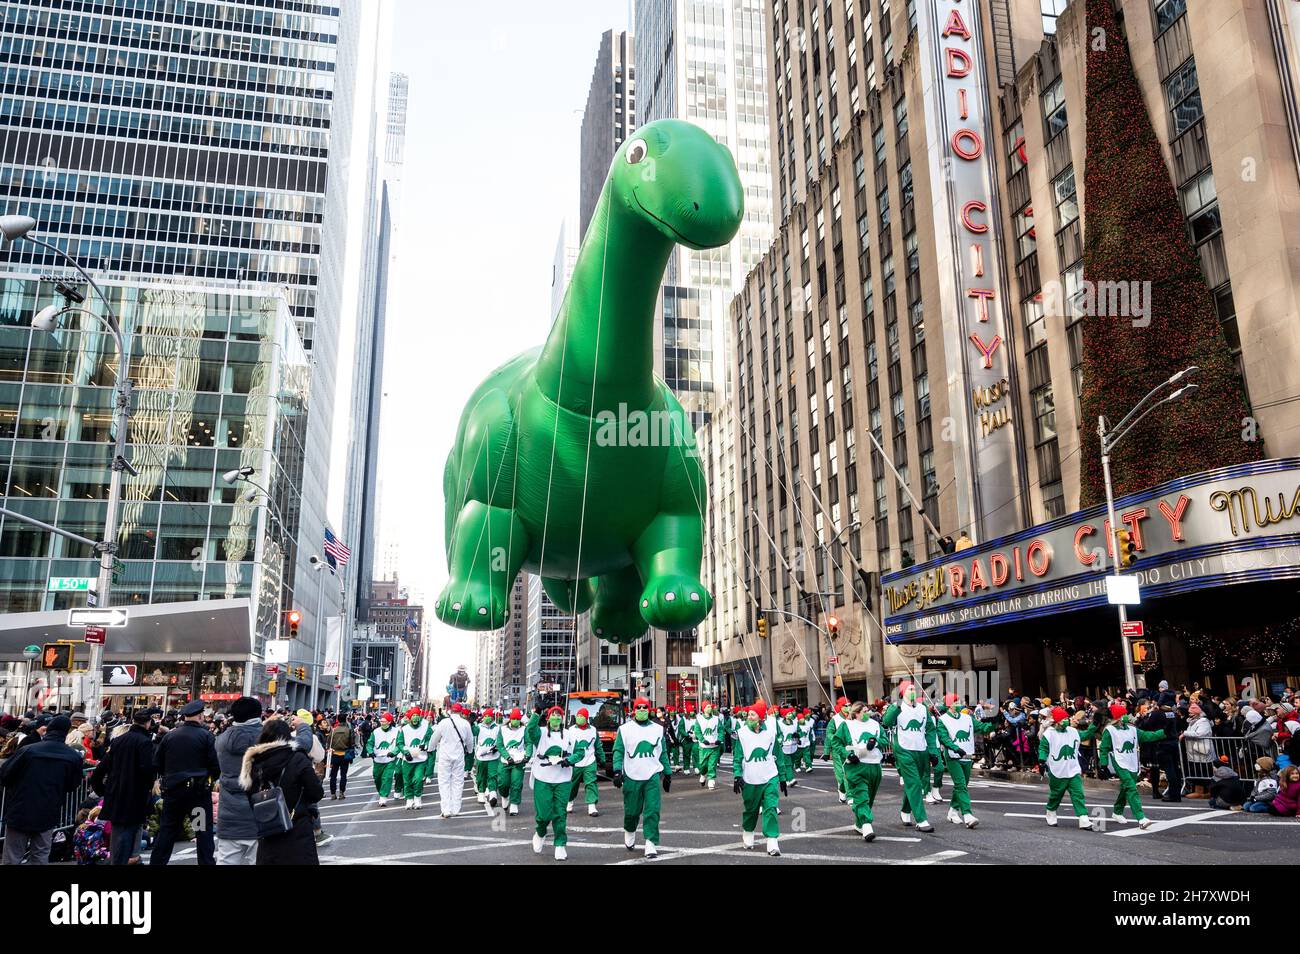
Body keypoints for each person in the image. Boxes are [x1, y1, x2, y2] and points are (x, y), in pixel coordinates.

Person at [239, 718, 325, 864]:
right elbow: (316, 793)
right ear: (287, 736)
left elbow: (250, 797)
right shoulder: (297, 758)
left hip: (268, 831)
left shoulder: (253, 763)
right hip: (297, 829)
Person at [0, 715, 84, 864]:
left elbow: (5, 774)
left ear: (49, 729)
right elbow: (73, 784)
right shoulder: (73, 757)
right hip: (48, 810)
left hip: (20, 808)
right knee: (40, 855)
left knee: (13, 856)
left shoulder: (28, 750)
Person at [151, 699, 220, 865]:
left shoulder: (170, 736)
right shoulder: (206, 736)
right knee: (202, 831)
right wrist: (209, 780)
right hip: (197, 794)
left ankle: (157, 863)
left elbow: (157, 763)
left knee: (167, 831)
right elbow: (214, 765)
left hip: (174, 792)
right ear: (199, 716)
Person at [91, 708, 157, 865]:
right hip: (135, 795)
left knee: (118, 834)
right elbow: (147, 770)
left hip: (116, 793)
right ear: (148, 723)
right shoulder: (144, 742)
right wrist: (148, 789)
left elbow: (101, 769)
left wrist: (103, 790)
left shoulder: (118, 741)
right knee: (128, 835)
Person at [611, 697, 672, 857]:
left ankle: (651, 842)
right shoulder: (624, 729)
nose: (642, 710)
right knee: (632, 811)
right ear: (634, 710)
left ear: (649, 709)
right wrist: (617, 771)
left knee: (652, 810)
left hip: (652, 775)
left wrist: (667, 773)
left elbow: (662, 752)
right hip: (632, 775)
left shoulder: (658, 729)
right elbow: (618, 751)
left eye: (645, 707)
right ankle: (629, 830)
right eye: (639, 707)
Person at [1098, 701, 1168, 830]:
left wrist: (1164, 732)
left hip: (1131, 761)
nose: (1127, 716)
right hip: (1119, 761)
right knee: (1131, 787)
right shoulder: (1110, 730)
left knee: (1126, 787)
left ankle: (1117, 811)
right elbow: (1104, 748)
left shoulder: (1132, 729)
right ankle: (1141, 818)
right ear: (1118, 717)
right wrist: (1103, 765)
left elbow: (1147, 736)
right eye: (1124, 714)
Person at [880, 682, 938, 833]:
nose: (914, 691)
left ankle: (905, 810)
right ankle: (921, 819)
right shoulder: (897, 706)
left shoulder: (923, 708)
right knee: (914, 783)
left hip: (921, 749)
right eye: (911, 689)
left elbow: (930, 730)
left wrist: (933, 751)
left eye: (915, 689)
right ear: (903, 692)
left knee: (915, 783)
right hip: (904, 750)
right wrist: (896, 707)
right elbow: (886, 722)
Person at [935, 692, 993, 829]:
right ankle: (967, 814)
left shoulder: (968, 718)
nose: (959, 703)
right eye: (956, 701)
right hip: (953, 756)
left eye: (959, 700)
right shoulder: (943, 720)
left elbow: (981, 727)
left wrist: (993, 722)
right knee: (960, 784)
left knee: (963, 785)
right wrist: (955, 748)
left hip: (967, 755)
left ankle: (953, 811)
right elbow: (944, 738)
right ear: (949, 704)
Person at [732, 701, 782, 856]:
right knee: (751, 810)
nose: (749, 716)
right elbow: (737, 757)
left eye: (752, 714)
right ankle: (748, 831)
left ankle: (772, 841)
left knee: (771, 808)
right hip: (750, 779)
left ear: (760, 717)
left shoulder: (771, 733)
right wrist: (737, 776)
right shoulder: (742, 733)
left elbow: (778, 756)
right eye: (749, 714)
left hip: (770, 777)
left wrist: (784, 777)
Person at [1039, 706, 1099, 829]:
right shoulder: (1049, 734)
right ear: (1057, 720)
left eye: (1067, 718)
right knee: (1056, 794)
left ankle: (1083, 818)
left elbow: (1086, 734)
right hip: (1057, 770)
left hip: (1073, 769)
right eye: (1064, 718)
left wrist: (1095, 724)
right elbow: (1043, 748)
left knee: (1078, 793)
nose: (1067, 720)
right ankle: (1051, 811)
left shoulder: (1073, 731)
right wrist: (1041, 761)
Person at [528, 706, 573, 860]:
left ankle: (560, 844)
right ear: (548, 718)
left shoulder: (568, 734)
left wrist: (570, 760)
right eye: (553, 715)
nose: (556, 718)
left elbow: (579, 751)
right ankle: (540, 832)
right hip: (543, 777)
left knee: (560, 813)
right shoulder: (540, 732)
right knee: (543, 814)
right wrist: (536, 713)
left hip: (563, 779)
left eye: (558, 715)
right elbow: (530, 730)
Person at [837, 701, 885, 842]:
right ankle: (866, 824)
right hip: (856, 766)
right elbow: (836, 742)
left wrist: (875, 741)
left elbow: (884, 739)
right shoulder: (847, 725)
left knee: (869, 798)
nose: (868, 713)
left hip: (874, 765)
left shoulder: (875, 725)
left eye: (868, 710)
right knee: (861, 796)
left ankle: (859, 824)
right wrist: (847, 754)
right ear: (857, 713)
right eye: (864, 711)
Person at [430, 703, 473, 818]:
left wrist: (430, 748)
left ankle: (446, 809)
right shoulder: (465, 724)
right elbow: (470, 741)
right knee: (458, 782)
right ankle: (456, 808)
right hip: (458, 756)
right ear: (460, 712)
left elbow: (434, 738)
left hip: (445, 756)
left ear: (450, 711)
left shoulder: (443, 723)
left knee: (444, 782)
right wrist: (469, 750)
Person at [567, 707, 605, 817]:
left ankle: (592, 806)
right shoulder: (571, 730)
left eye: (582, 716)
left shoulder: (593, 730)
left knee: (591, 783)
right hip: (575, 762)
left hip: (589, 761)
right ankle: (569, 803)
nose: (579, 718)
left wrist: (601, 759)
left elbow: (598, 746)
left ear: (586, 718)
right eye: (578, 716)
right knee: (572, 784)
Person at [395, 708, 433, 810]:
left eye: (417, 717)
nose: (415, 719)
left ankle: (417, 798)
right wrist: (405, 752)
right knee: (407, 780)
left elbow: (431, 739)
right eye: (413, 717)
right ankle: (409, 799)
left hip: (421, 759)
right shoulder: (404, 729)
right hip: (408, 759)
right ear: (410, 718)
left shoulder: (426, 728)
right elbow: (399, 743)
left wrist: (425, 745)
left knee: (418, 779)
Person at [497, 708, 531, 815]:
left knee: (516, 783)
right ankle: (505, 796)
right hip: (505, 761)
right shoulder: (502, 729)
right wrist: (507, 757)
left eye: (517, 719)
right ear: (510, 719)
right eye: (514, 719)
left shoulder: (524, 729)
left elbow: (529, 743)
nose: (515, 721)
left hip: (518, 761)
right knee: (503, 784)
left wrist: (527, 755)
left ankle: (514, 804)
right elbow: (500, 745)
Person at [365, 712, 401, 807]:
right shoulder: (375, 732)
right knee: (377, 778)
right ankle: (381, 792)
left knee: (387, 778)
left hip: (390, 759)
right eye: (381, 721)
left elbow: (399, 744)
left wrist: (393, 752)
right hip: (378, 759)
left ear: (389, 722)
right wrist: (370, 751)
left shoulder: (396, 731)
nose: (382, 723)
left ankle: (383, 797)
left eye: (384, 722)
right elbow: (369, 743)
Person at [471, 708, 502, 809]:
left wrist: (497, 747)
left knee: (493, 775)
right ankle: (481, 792)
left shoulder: (497, 728)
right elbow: (473, 732)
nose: (487, 718)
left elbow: (501, 740)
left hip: (494, 756)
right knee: (481, 775)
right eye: (486, 716)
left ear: (492, 717)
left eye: (489, 716)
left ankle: (493, 793)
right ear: (483, 717)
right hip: (481, 756)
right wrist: (471, 723)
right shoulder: (479, 727)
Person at [822, 697, 850, 803]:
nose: (849, 707)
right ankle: (843, 791)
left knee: (850, 772)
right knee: (841, 773)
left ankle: (850, 794)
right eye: (846, 705)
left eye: (849, 705)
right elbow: (829, 735)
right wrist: (826, 751)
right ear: (841, 707)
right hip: (838, 750)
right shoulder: (835, 720)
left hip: (851, 750)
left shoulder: (854, 717)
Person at [692, 700, 723, 789]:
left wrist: (719, 739)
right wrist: (702, 739)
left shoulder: (716, 719)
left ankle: (711, 780)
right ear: (704, 708)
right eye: (708, 707)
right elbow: (697, 731)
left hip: (714, 746)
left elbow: (721, 730)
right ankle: (702, 774)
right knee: (703, 765)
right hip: (704, 746)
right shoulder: (699, 719)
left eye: (710, 706)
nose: (710, 708)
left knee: (712, 764)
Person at [327, 714, 356, 800]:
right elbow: (352, 743)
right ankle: (341, 792)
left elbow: (329, 742)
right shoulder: (349, 730)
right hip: (345, 754)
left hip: (335, 754)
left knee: (333, 775)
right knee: (343, 775)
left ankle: (333, 793)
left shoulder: (333, 730)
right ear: (346, 719)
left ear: (338, 720)